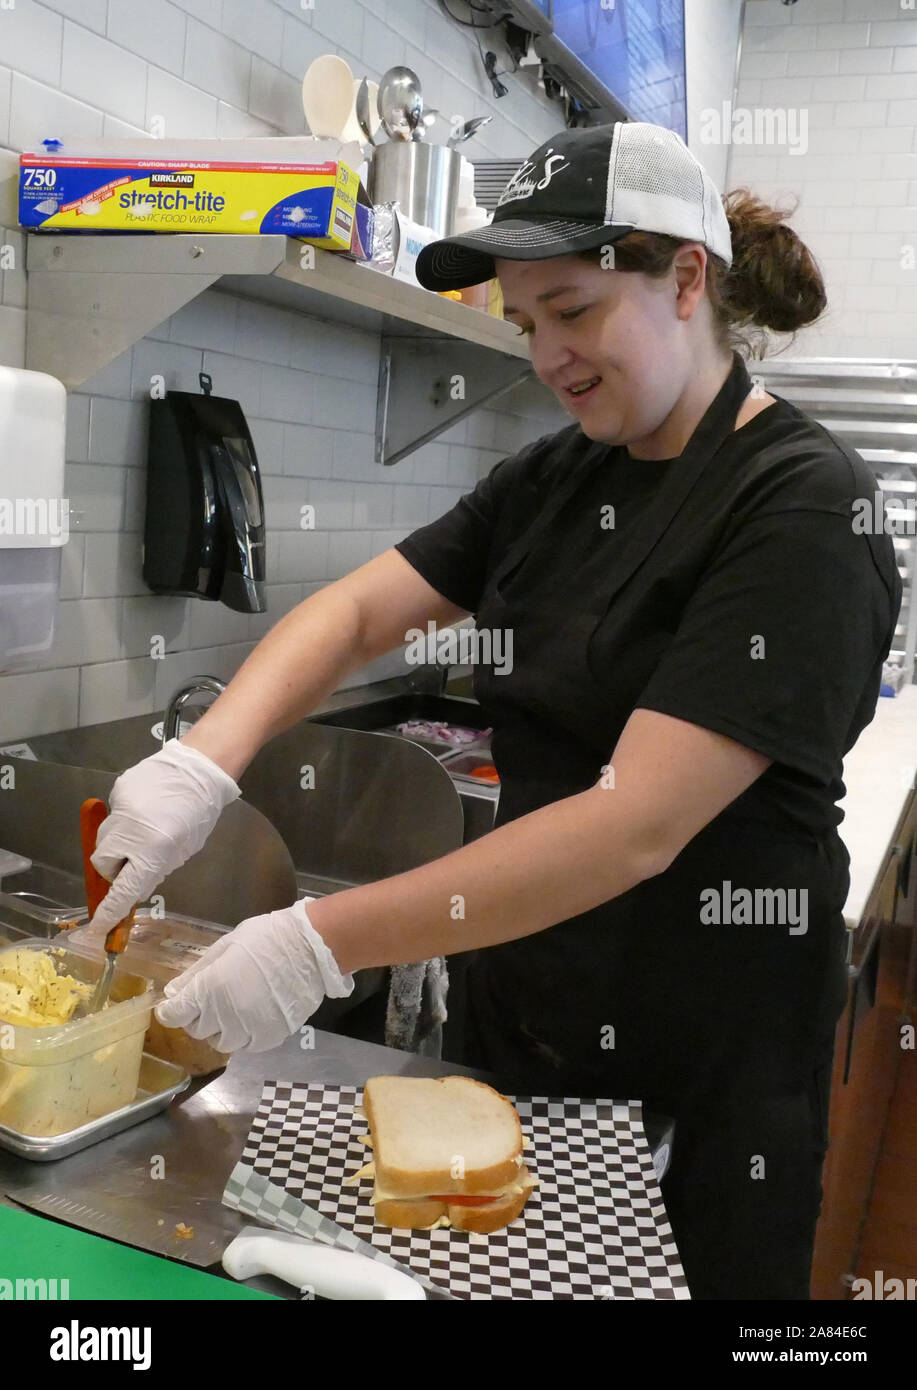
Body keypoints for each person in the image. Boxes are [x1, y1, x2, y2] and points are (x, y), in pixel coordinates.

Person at [85, 124, 901, 1300]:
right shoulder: (561, 473)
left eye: (571, 309)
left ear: (684, 278)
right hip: (520, 1020)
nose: (549, 356)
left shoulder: (802, 510)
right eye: (526, 324)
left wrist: (319, 940)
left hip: (704, 1066)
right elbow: (360, 616)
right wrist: (204, 763)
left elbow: (633, 824)